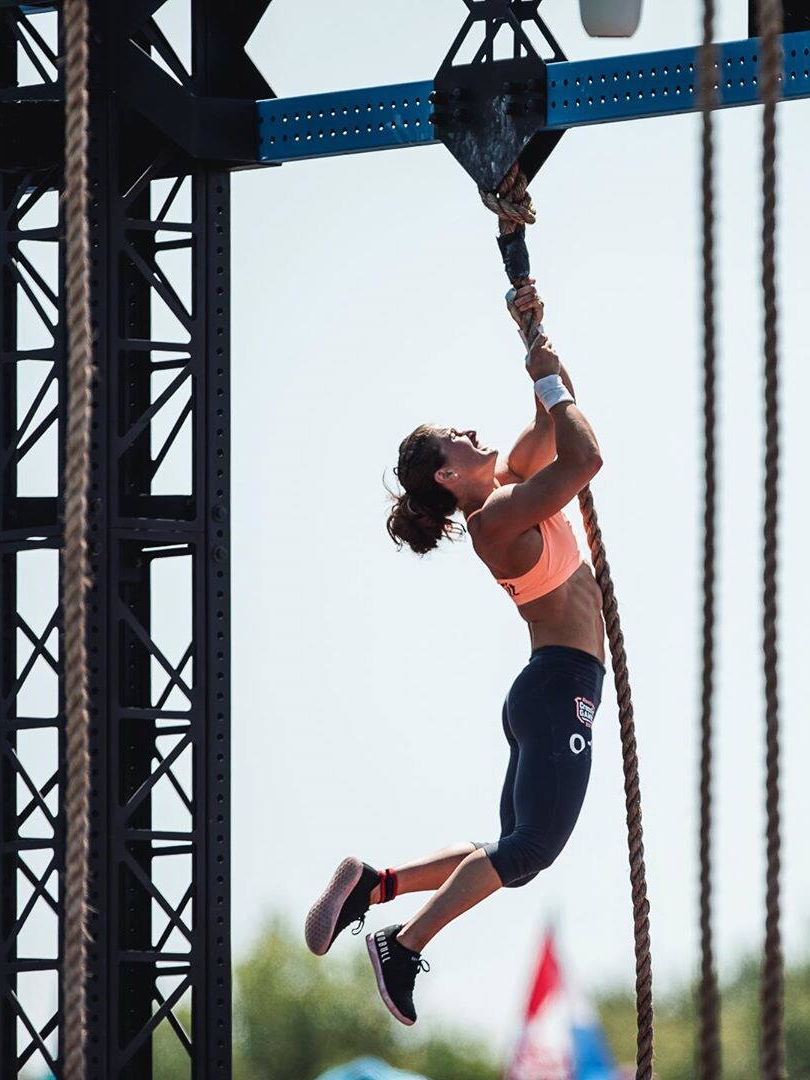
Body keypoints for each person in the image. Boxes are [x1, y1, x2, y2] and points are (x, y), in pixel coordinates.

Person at [304, 282, 607, 1026]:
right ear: (448, 476)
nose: (474, 436)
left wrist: (536, 343)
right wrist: (546, 381)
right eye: (459, 441)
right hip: (558, 683)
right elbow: (585, 458)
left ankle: (379, 884)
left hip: (552, 684)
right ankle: (402, 945)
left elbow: (549, 432)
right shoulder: (496, 518)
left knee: (510, 849)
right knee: (530, 849)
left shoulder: (503, 491)